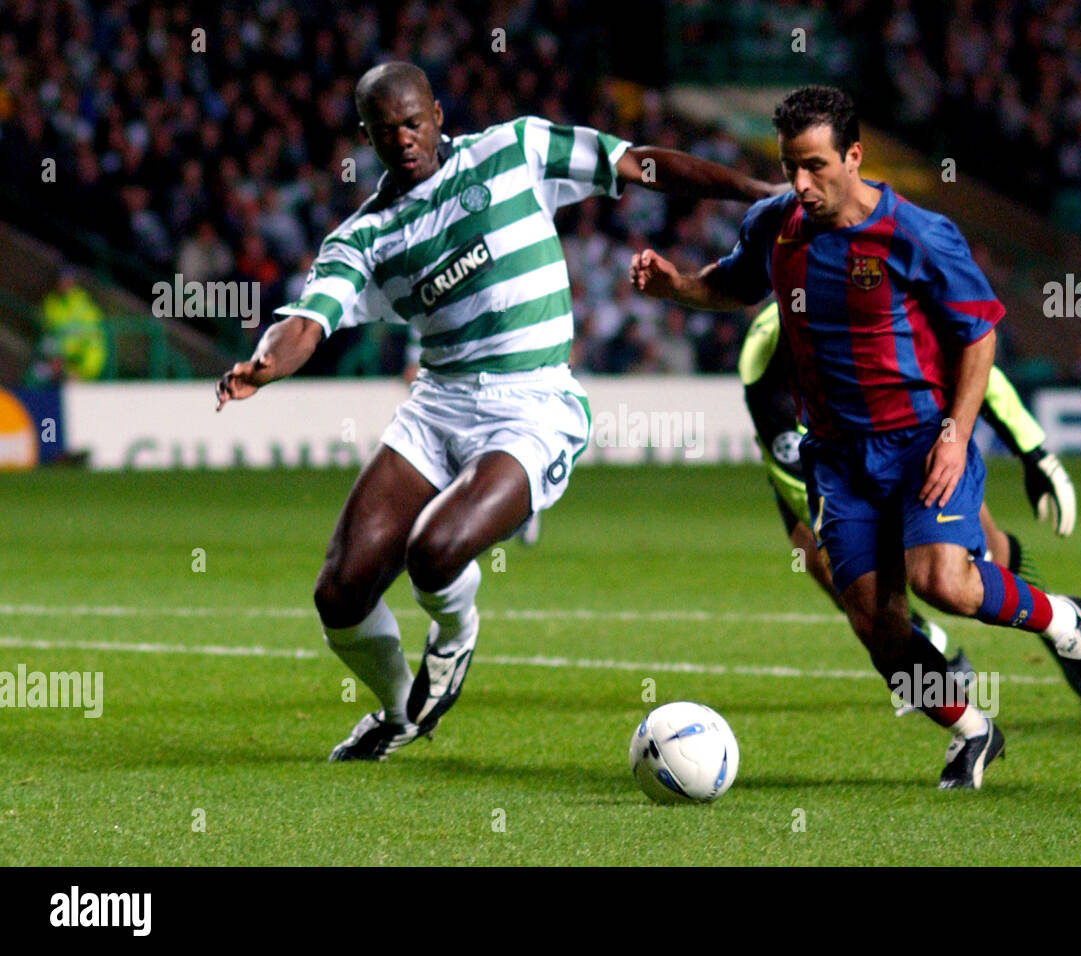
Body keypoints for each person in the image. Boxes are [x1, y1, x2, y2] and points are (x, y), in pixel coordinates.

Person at [215, 62, 782, 761]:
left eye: (413, 121)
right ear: (365, 137)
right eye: (385, 129)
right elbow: (306, 320)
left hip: (532, 404)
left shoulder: (515, 150)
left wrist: (760, 192)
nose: (403, 138)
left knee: (435, 549)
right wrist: (265, 364)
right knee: (339, 594)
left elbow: (637, 164)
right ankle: (400, 714)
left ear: (438, 113)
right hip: (437, 407)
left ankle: (453, 641)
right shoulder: (363, 237)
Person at [631, 86, 1081, 790]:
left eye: (814, 166)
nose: (800, 183)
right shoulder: (777, 223)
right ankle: (971, 730)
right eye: (789, 166)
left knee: (943, 584)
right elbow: (733, 287)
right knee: (876, 622)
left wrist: (956, 436)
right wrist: (674, 285)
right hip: (837, 456)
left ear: (854, 156)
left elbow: (978, 334)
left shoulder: (917, 234)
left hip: (922, 441)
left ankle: (1062, 619)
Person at [739, 301, 1077, 677]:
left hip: (904, 438)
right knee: (826, 561)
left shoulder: (885, 310)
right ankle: (935, 661)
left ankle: (1061, 623)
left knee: (977, 557)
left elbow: (975, 362)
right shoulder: (766, 368)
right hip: (823, 459)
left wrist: (1032, 450)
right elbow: (799, 483)